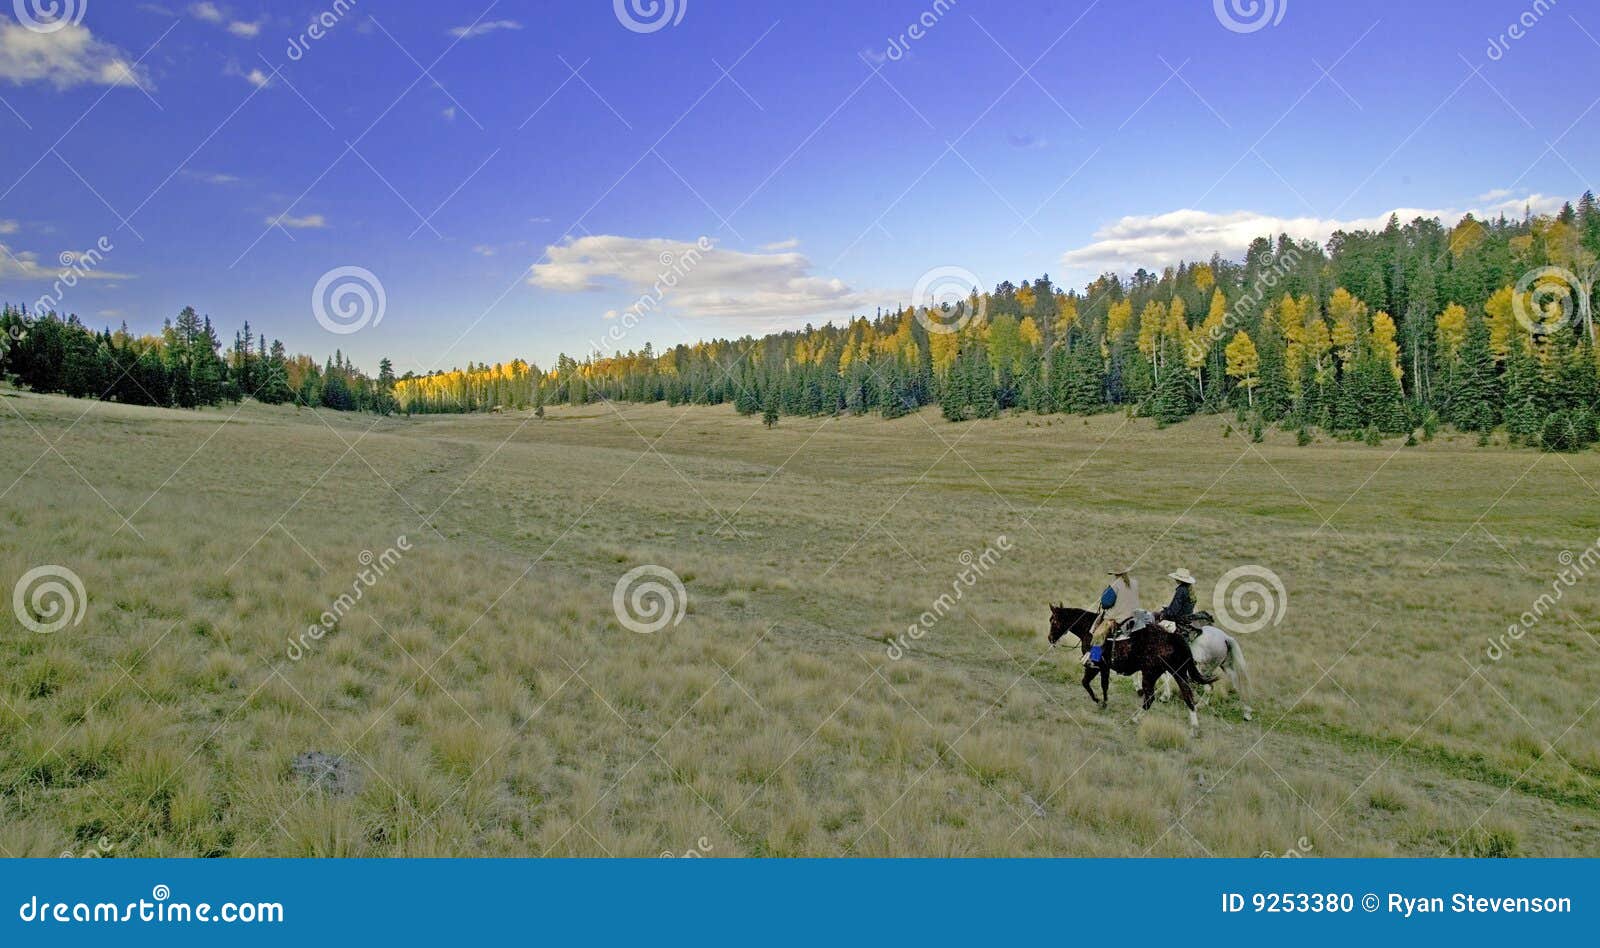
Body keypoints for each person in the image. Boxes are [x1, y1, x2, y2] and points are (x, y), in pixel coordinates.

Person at [1086, 567, 1139, 666]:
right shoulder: (1134, 583)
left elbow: (1106, 603)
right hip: (1134, 616)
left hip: (1117, 617)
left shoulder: (1115, 585)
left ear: (1115, 574)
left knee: (1098, 635)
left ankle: (1094, 659)